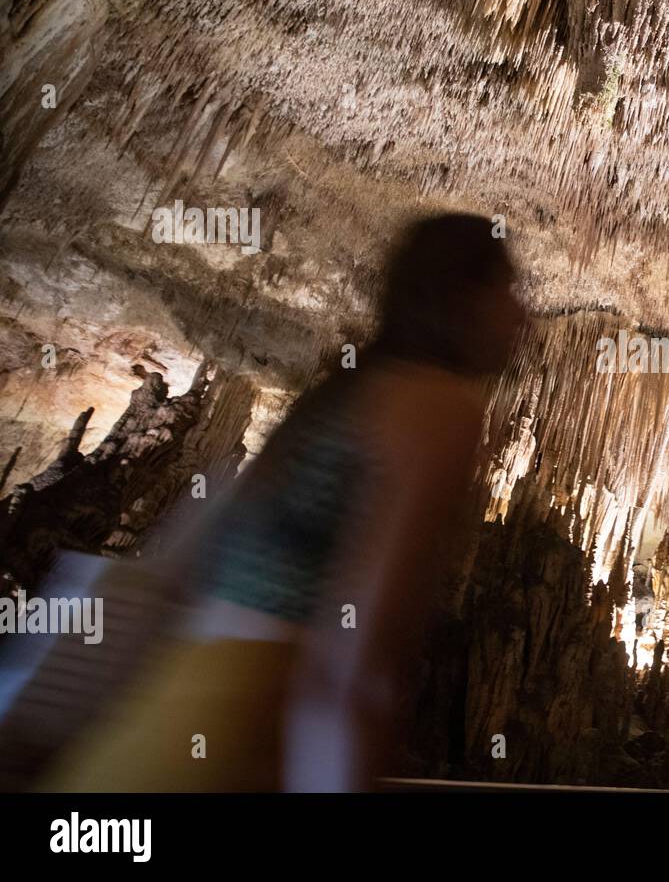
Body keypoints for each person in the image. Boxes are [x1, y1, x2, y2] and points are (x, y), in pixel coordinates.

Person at [36, 212, 526, 791]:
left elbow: (185, 556)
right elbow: (354, 665)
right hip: (234, 726)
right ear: (466, 299)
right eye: (510, 289)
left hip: (150, 727)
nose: (522, 313)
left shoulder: (341, 395)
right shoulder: (436, 408)